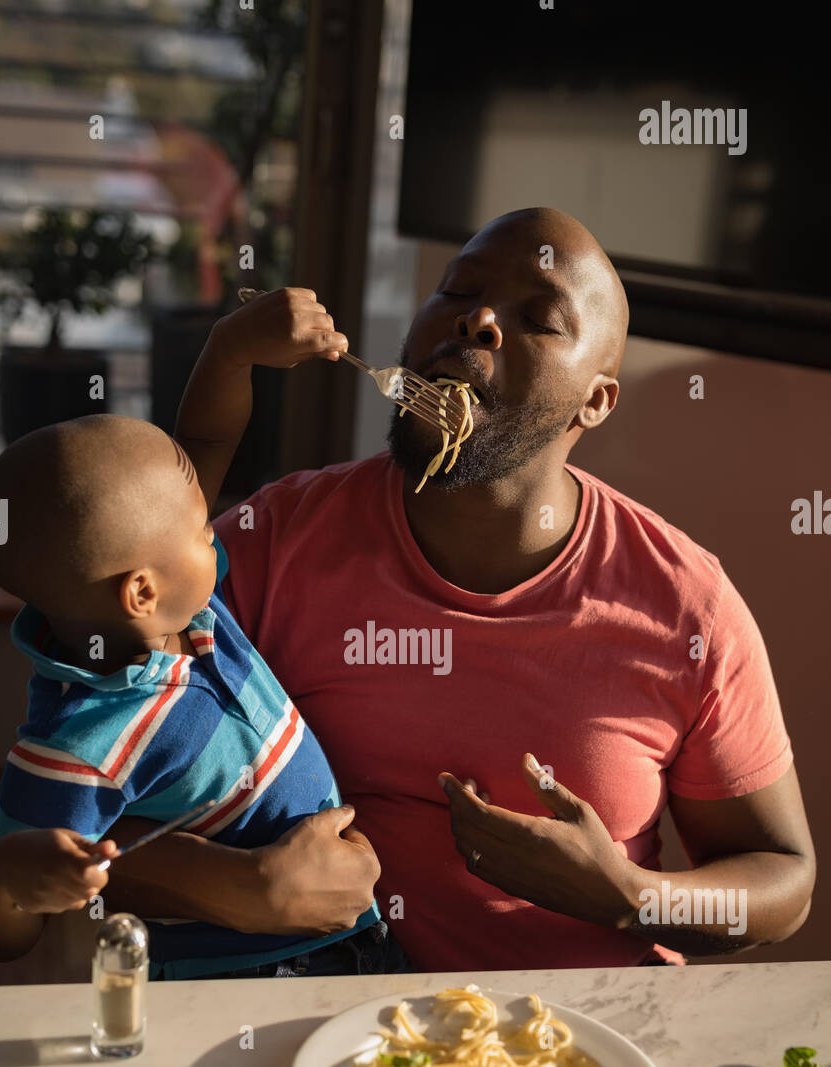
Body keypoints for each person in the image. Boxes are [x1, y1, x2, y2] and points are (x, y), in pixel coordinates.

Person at [70, 208, 818, 970]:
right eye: (458, 290)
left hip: (570, 1054)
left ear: (595, 401)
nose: (479, 320)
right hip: (308, 1039)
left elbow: (784, 881)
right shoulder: (274, 542)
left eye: (540, 318)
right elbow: (63, 818)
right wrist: (240, 887)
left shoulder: (686, 605)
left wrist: (630, 896)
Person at [0, 291, 393, 978]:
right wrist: (16, 881)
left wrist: (232, 349)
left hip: (348, 937)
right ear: (140, 591)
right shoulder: (78, 744)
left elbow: (205, 440)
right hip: (248, 975)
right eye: (201, 527)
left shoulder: (180, 609)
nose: (214, 529)